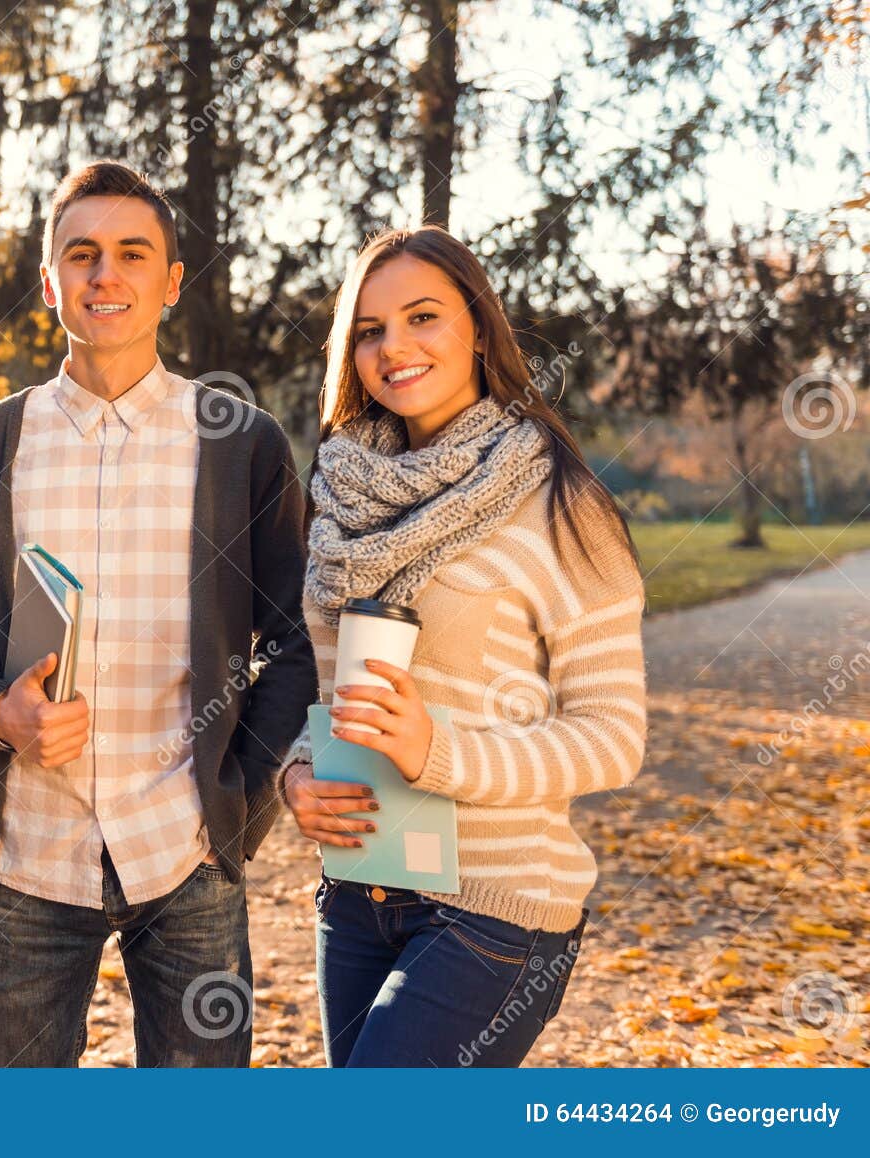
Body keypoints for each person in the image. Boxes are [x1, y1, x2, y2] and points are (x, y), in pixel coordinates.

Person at [0, 161, 317, 1067]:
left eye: (131, 254)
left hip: (182, 855)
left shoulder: (240, 442)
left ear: (170, 281)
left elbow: (299, 640)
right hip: (30, 858)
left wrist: (236, 799)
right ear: (51, 282)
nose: (105, 275)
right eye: (82, 255)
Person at [280, 225, 647, 1067]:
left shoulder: (558, 498)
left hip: (494, 907)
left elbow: (613, 737)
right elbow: (333, 691)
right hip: (359, 888)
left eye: (422, 317)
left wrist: (438, 753)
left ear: (478, 327)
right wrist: (298, 771)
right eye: (369, 330)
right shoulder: (340, 493)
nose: (394, 347)